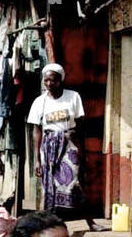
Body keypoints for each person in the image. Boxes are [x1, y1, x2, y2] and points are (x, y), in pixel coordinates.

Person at [27, 62, 92, 228]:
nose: (49, 84)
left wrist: (81, 148)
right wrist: (37, 159)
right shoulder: (39, 102)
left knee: (76, 182)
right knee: (50, 187)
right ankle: (51, 225)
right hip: (48, 147)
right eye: (46, 80)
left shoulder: (73, 97)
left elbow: (81, 124)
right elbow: (36, 130)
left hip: (69, 144)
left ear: (60, 80)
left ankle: (90, 221)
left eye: (53, 80)